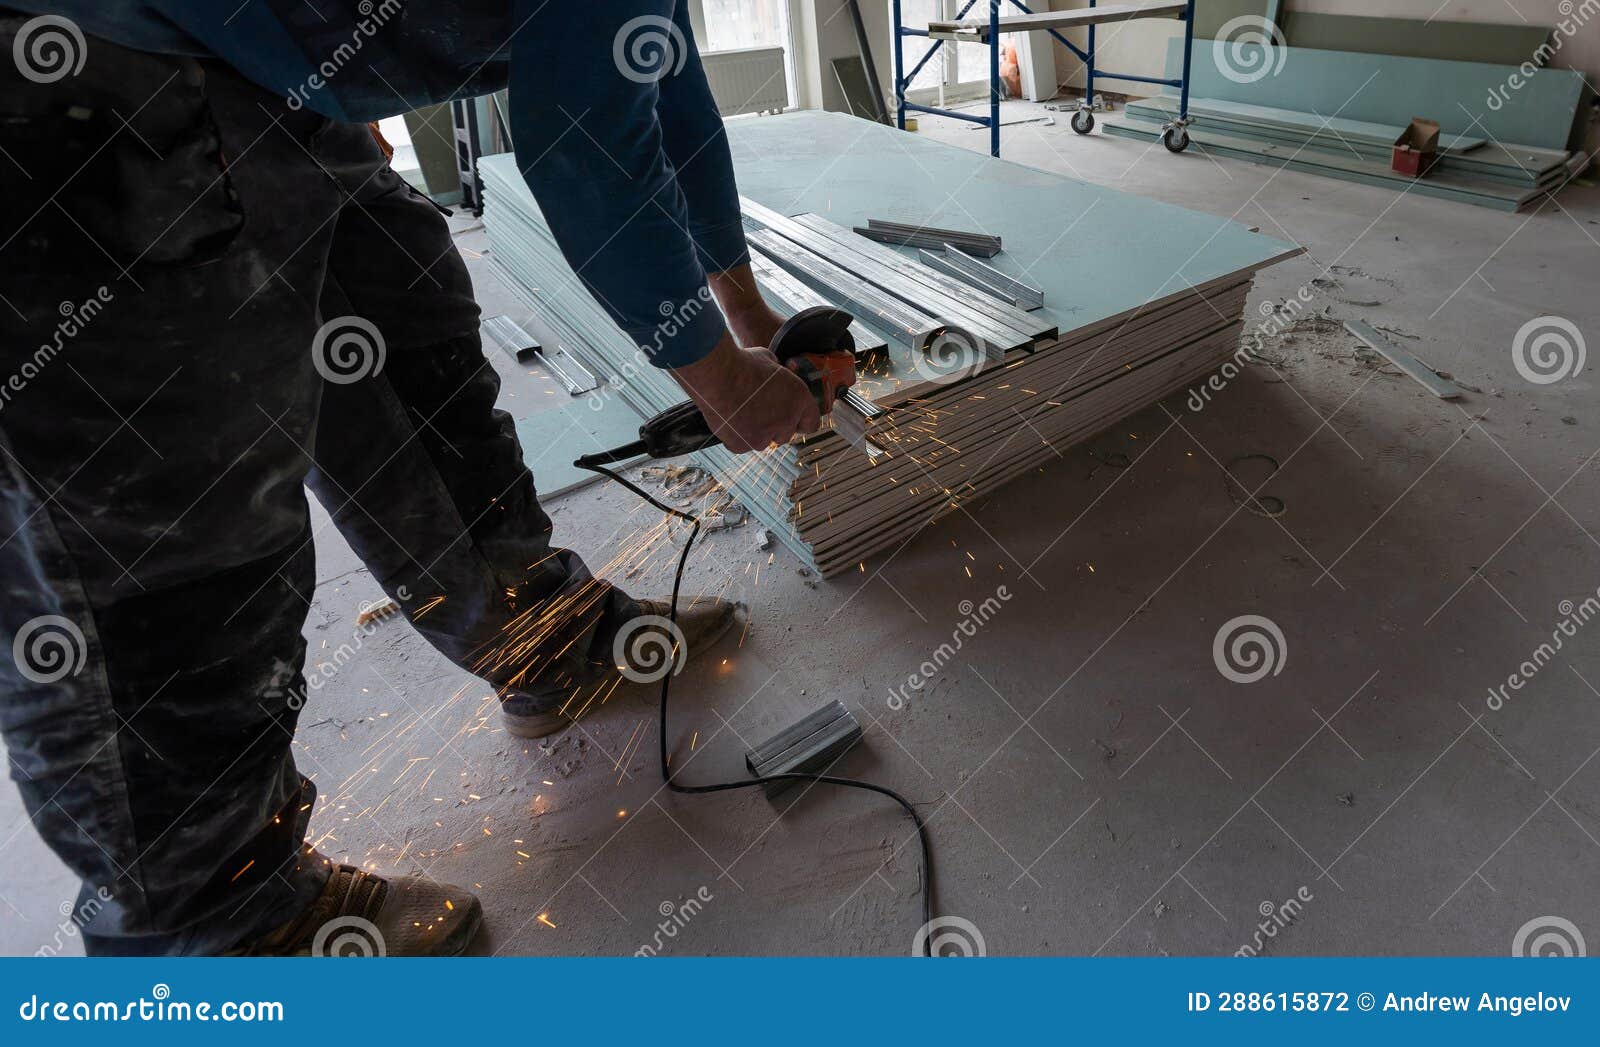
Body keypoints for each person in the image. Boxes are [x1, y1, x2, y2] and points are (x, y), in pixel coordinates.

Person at [0, 2, 820, 956]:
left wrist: (746, 309)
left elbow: (665, 90)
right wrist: (719, 382)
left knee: (399, 318)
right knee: (159, 508)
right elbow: (590, 149)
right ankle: (213, 920)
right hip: (78, 73)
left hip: (254, 72)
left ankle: (535, 636)